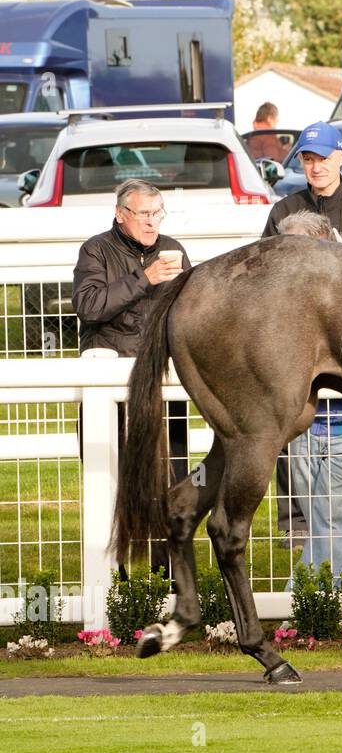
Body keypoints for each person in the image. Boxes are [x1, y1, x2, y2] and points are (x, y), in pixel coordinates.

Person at [262, 121, 342, 548]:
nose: (316, 167)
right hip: (297, 331)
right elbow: (265, 270)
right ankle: (296, 520)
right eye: (308, 158)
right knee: (289, 414)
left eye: (323, 157)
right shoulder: (283, 210)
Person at [72, 179, 192, 572]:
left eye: (158, 214)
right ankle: (114, 581)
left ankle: (167, 575)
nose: (153, 222)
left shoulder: (173, 251)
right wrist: (146, 277)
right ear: (122, 214)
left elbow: (191, 313)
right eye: (144, 214)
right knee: (114, 485)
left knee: (169, 482)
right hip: (110, 388)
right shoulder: (96, 249)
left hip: (162, 384)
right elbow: (89, 307)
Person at [274, 210, 342, 591]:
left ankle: (298, 605)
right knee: (326, 524)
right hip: (303, 428)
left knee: (332, 524)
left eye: (294, 250)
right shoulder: (281, 300)